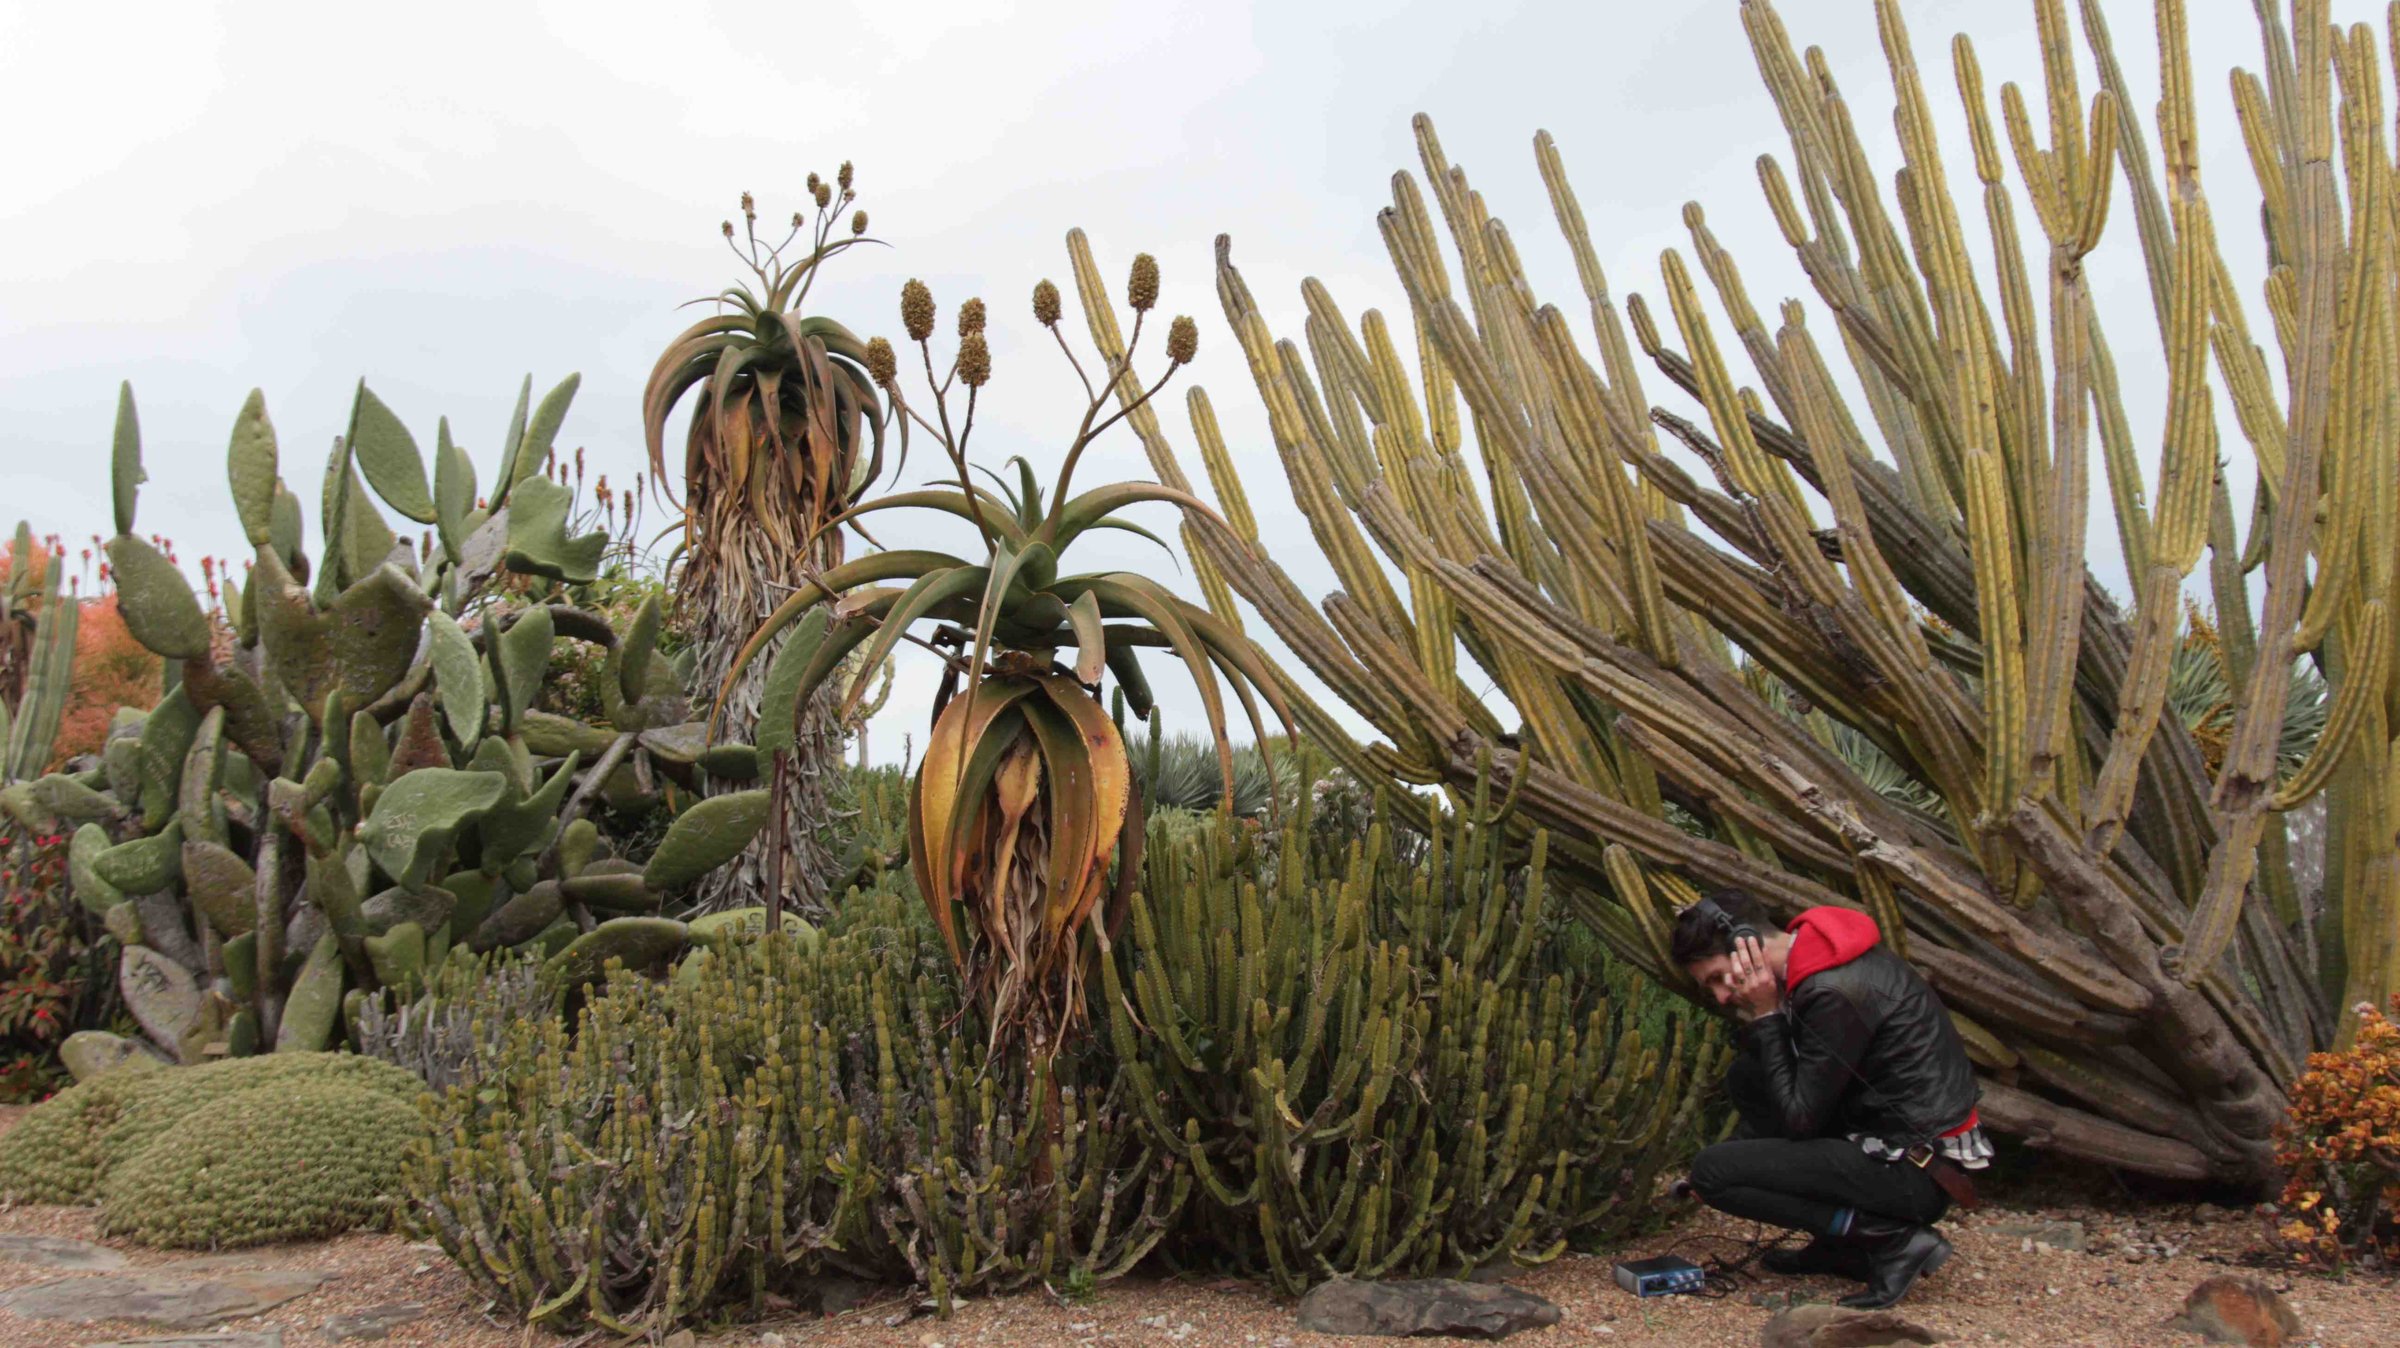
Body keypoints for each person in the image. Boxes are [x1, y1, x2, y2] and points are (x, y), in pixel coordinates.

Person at [1669, 888, 1990, 1310]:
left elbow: (1802, 1119)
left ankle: (1892, 1239)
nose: (1722, 997)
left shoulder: (1832, 991)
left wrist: (1767, 1015)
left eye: (1716, 978)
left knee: (1713, 1173)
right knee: (1749, 1075)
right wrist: (1745, 1153)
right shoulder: (1820, 962)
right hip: (1891, 1143)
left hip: (1916, 1172)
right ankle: (1839, 1244)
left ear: (1746, 943)